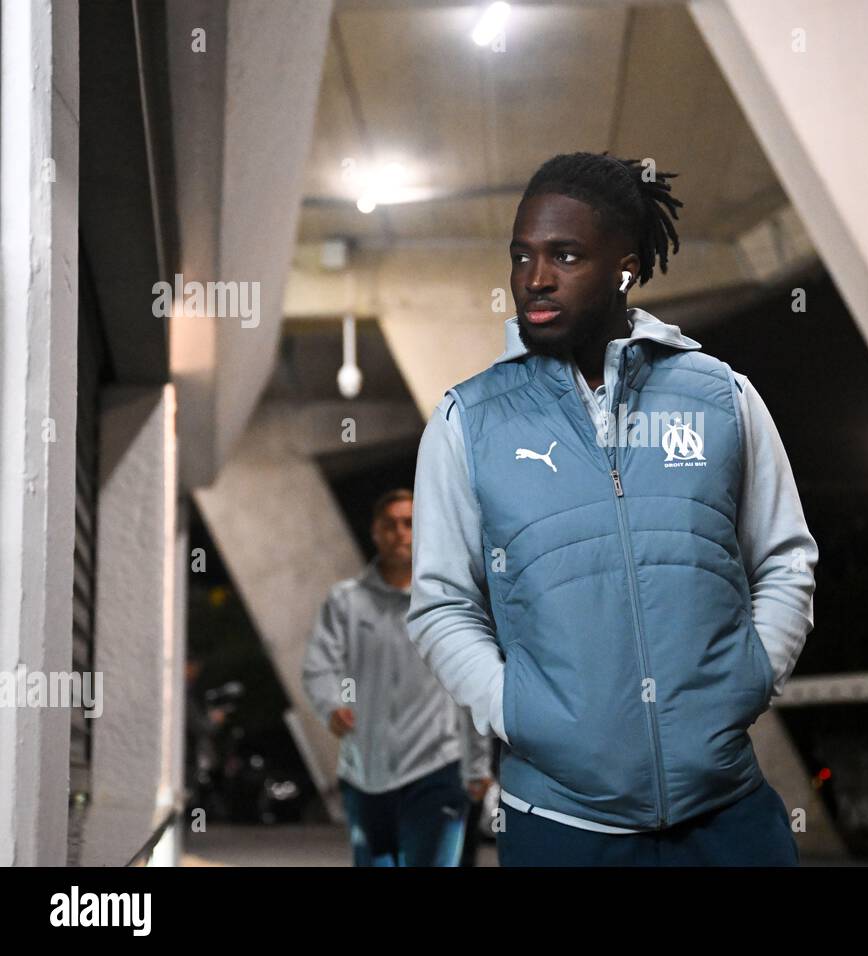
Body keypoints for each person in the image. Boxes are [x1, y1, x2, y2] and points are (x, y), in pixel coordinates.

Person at [406, 151, 817, 866]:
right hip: (560, 826)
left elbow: (784, 559)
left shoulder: (722, 397)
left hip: (728, 819)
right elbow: (443, 601)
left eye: (564, 255)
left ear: (625, 269)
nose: (534, 278)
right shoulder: (466, 420)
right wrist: (517, 710)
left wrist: (750, 674)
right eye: (521, 256)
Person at [303, 488, 495, 866]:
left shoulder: (449, 603)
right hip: (365, 774)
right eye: (390, 524)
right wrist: (331, 705)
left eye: (409, 524)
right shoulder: (346, 601)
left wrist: (477, 766)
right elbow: (319, 666)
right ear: (376, 532)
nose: (400, 532)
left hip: (439, 770)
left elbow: (469, 686)